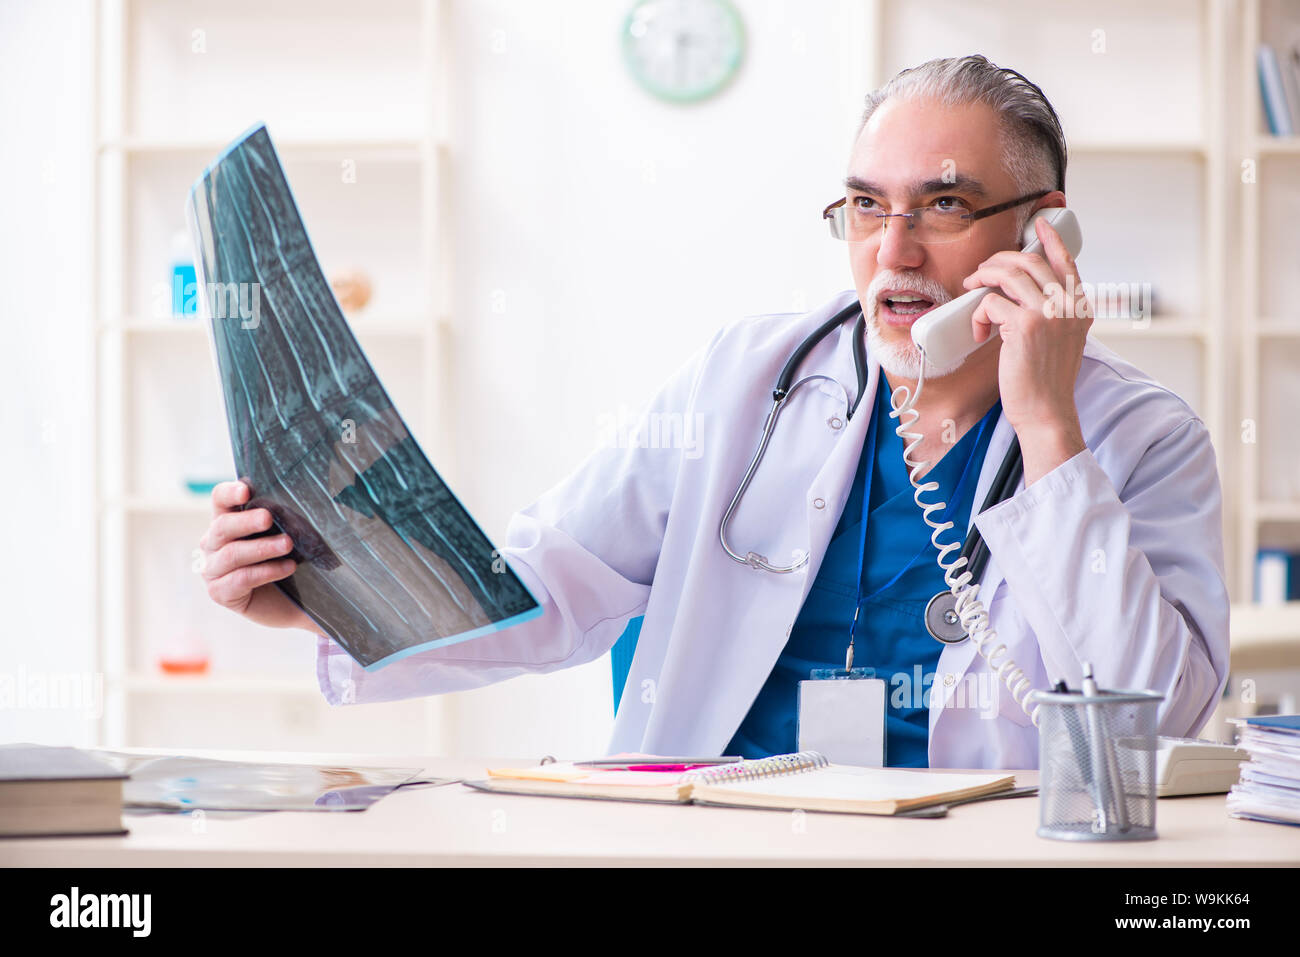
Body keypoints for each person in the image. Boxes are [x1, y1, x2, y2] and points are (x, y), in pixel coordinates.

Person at [197, 55, 1229, 769]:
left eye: (944, 205)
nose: (893, 250)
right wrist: (322, 597)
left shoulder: (1142, 439)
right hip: (724, 841)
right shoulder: (750, 376)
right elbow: (543, 583)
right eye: (866, 205)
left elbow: (1162, 719)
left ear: (1048, 234)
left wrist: (1049, 433)